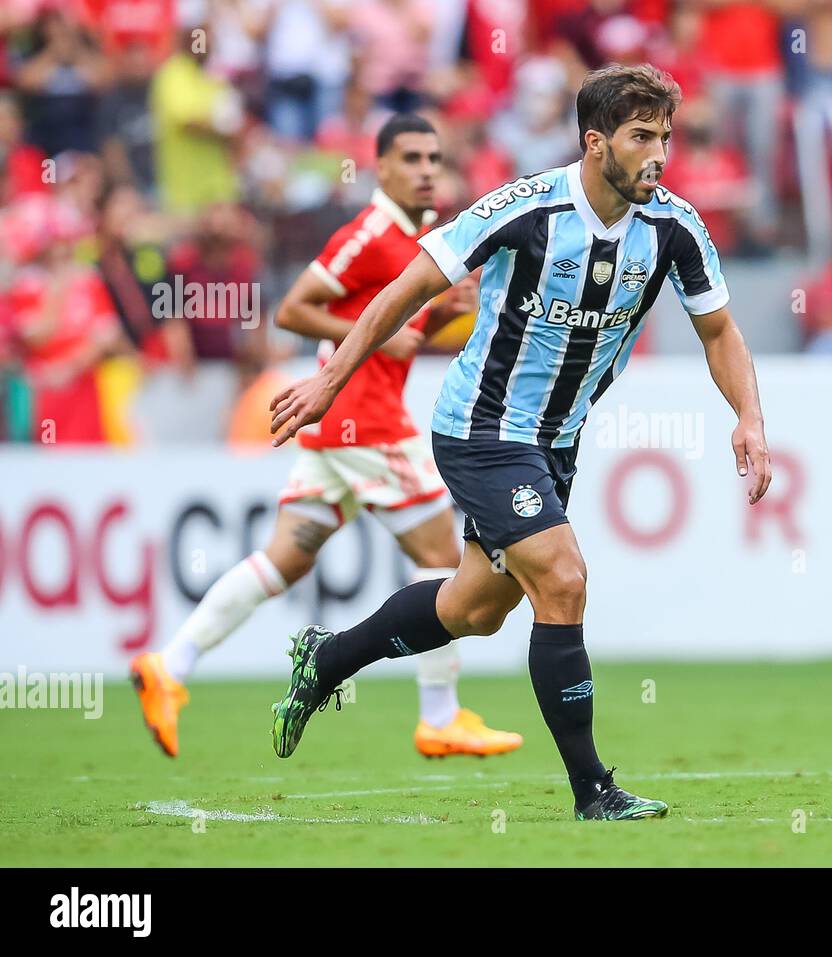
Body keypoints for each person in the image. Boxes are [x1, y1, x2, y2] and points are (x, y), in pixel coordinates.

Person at [266, 64, 772, 821]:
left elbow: (719, 330)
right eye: (641, 137)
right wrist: (330, 382)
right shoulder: (524, 208)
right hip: (480, 429)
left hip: (554, 444)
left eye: (665, 136)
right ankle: (593, 788)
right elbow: (404, 289)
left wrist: (750, 416)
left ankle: (328, 657)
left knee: (475, 608)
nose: (659, 153)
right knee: (563, 579)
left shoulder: (674, 227)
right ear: (596, 142)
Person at [129, 114, 522, 761]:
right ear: (382, 168)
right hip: (363, 421)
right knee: (444, 559)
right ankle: (439, 715)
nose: (428, 170)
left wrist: (433, 315)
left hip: (343, 428)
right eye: (413, 158)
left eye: (434, 158)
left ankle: (170, 664)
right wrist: (373, 329)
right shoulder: (370, 233)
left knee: (283, 559)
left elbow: (401, 324)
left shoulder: (418, 238)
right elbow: (293, 308)